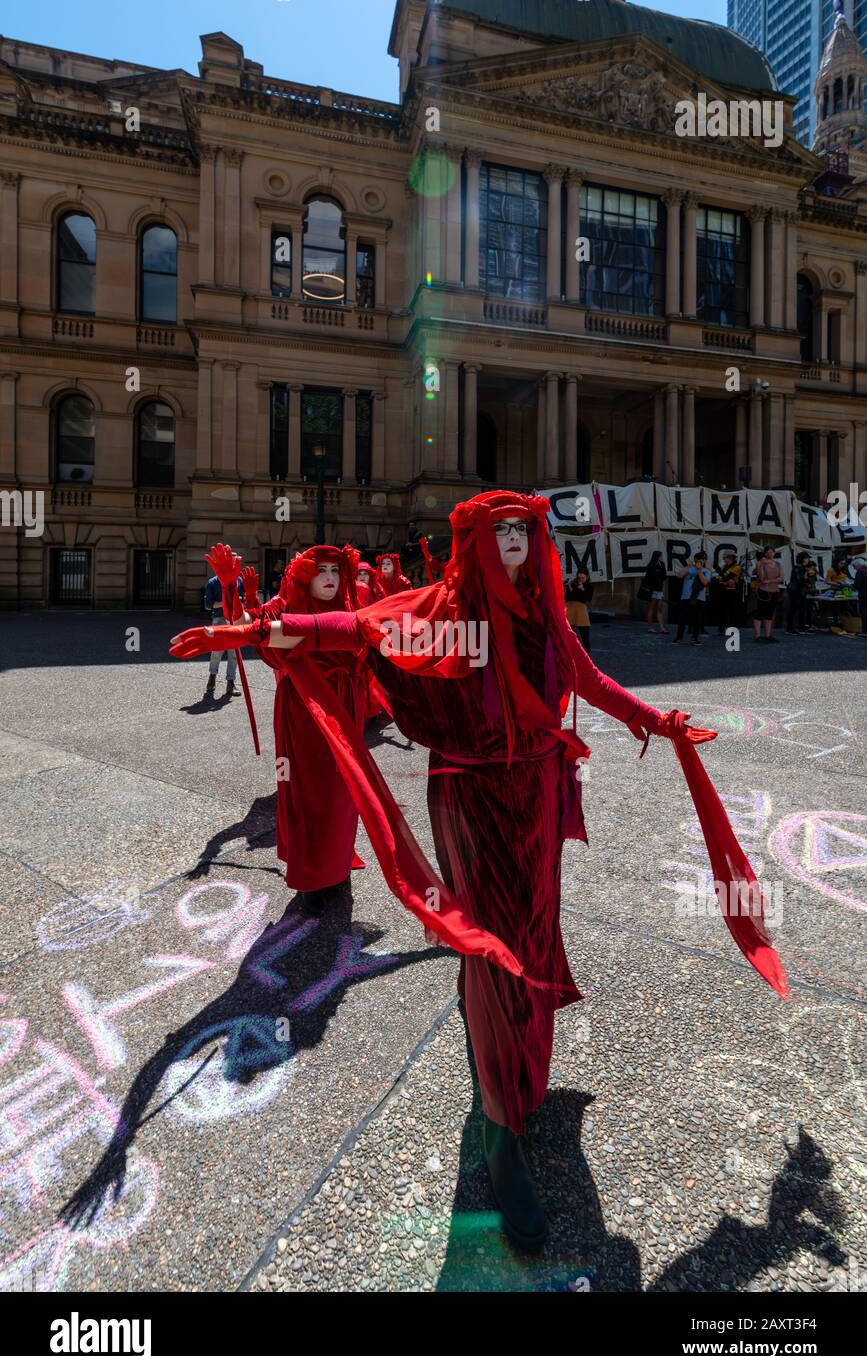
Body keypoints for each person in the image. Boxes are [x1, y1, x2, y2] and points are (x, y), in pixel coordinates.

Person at [171, 491, 786, 1250]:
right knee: (490, 945)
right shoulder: (438, 610)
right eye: (498, 532)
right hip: (467, 792)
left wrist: (655, 721)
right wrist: (256, 625)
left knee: (529, 932)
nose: (515, 544)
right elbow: (353, 625)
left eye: (524, 531)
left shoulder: (539, 611)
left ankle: (516, 1069)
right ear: (473, 541)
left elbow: (586, 679)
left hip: (536, 791)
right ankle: (499, 1131)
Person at [236, 544, 367, 915]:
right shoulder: (286, 606)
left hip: (344, 707)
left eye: (335, 571)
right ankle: (310, 876)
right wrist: (237, 595)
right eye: (320, 570)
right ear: (305, 575)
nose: (329, 578)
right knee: (304, 792)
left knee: (342, 793)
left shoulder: (353, 609)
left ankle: (337, 869)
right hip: (301, 711)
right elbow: (249, 627)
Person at [203, 565, 245, 697]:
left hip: (235, 618)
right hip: (219, 618)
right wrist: (225, 602)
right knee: (217, 650)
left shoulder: (238, 581)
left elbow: (242, 598)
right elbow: (208, 605)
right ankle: (212, 676)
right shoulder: (213, 582)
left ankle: (230, 682)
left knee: (234, 652)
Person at [674, 552, 710, 645]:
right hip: (686, 597)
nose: (701, 561)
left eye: (702, 560)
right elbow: (679, 576)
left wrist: (699, 570)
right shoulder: (689, 569)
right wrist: (688, 567)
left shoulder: (706, 571)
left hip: (699, 598)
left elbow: (705, 582)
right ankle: (679, 638)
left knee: (697, 619)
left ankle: (695, 638)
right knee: (682, 618)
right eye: (699, 559)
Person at [752, 546, 784, 642]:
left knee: (770, 613)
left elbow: (781, 578)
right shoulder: (760, 563)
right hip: (763, 590)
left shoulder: (778, 564)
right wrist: (761, 564)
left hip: (774, 591)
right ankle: (757, 635)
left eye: (772, 552)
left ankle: (768, 634)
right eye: (768, 552)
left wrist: (770, 581)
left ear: (774, 553)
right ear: (765, 553)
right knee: (760, 611)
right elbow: (761, 578)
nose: (770, 554)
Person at [563, 568, 594, 651]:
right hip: (570, 609)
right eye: (579, 577)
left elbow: (588, 598)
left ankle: (586, 656)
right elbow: (567, 598)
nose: (580, 579)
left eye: (582, 578)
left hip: (581, 610)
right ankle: (568, 654)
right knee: (568, 634)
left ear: (587, 577)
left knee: (585, 636)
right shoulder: (573, 584)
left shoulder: (589, 586)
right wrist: (569, 589)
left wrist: (582, 589)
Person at [640, 550, 668, 634]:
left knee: (659, 608)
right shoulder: (651, 565)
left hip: (659, 589)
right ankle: (650, 627)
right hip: (652, 590)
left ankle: (662, 627)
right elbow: (650, 577)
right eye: (660, 556)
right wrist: (657, 578)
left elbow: (664, 575)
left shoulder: (662, 564)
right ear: (656, 556)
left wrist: (659, 576)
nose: (661, 558)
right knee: (651, 608)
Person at [786, 552, 812, 635]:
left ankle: (802, 627)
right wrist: (805, 579)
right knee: (793, 609)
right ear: (803, 558)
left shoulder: (804, 568)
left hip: (801, 591)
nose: (808, 560)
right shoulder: (797, 567)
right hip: (795, 591)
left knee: (802, 609)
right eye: (807, 558)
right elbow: (798, 579)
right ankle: (789, 628)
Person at [852, 557, 867, 635]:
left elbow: (857, 584)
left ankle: (865, 632)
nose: (854, 569)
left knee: (864, 612)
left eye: (854, 567)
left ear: (858, 565)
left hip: (864, 594)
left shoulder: (860, 571)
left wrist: (850, 585)